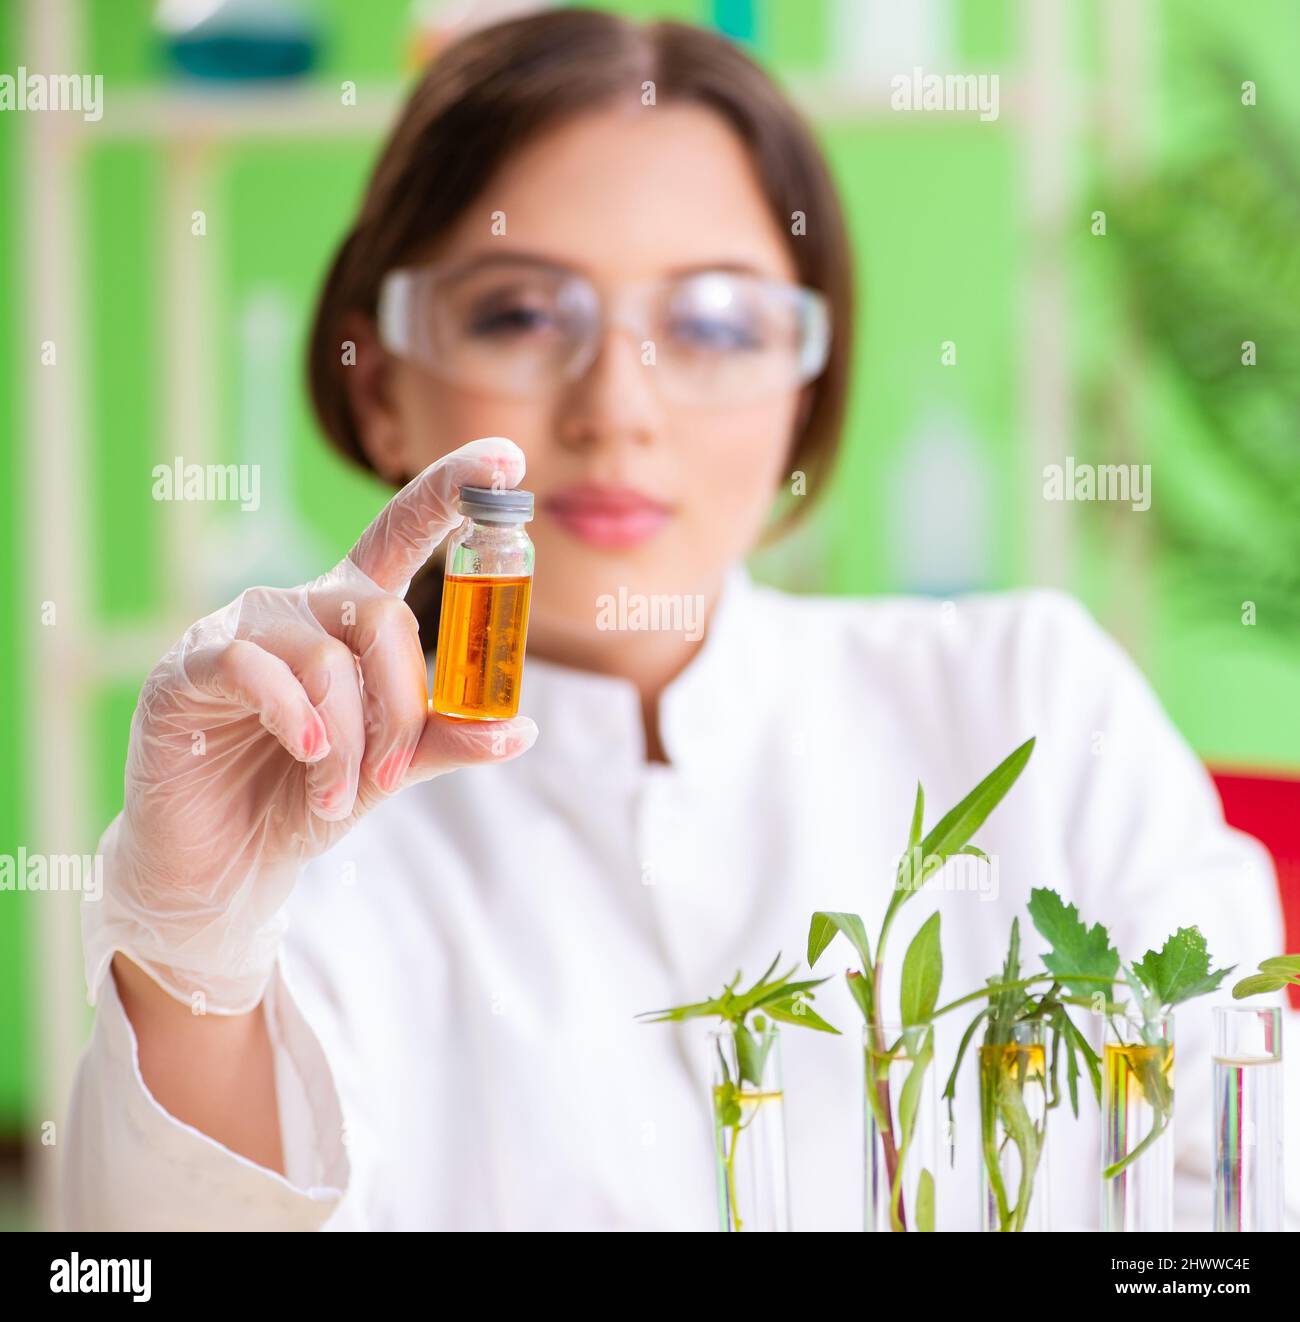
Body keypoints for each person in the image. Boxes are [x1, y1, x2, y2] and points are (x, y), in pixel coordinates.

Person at [63, 9, 1291, 1231]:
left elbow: (1248, 1180)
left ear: (805, 384)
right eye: (519, 314)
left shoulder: (1029, 700)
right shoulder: (294, 821)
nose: (616, 406)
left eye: (711, 323)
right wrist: (193, 977)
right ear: (379, 386)